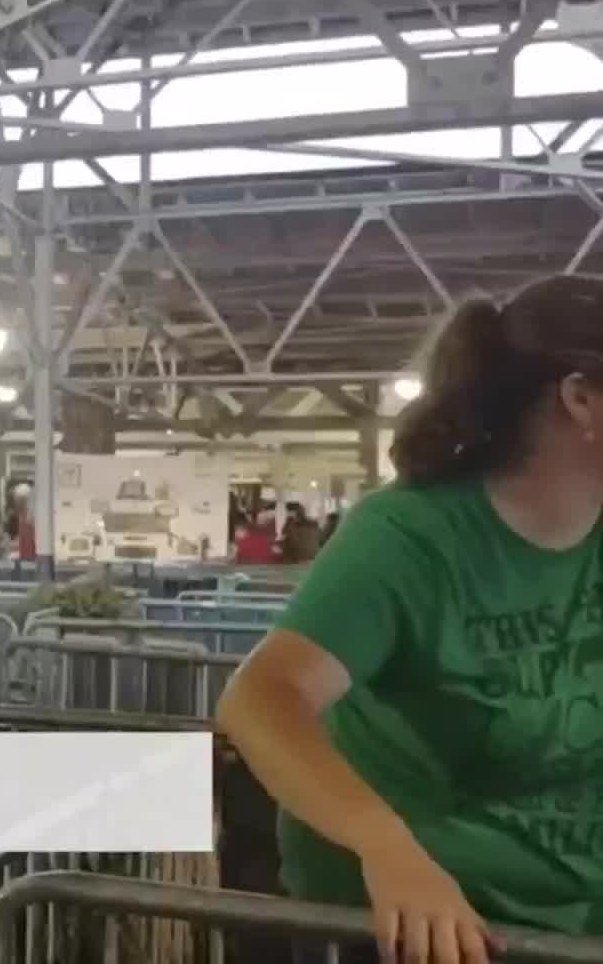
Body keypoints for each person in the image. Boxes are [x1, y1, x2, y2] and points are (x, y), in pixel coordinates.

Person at [216, 275, 603, 962]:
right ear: (580, 400)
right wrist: (385, 845)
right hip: (427, 926)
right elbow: (259, 700)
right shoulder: (409, 536)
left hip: (571, 913)